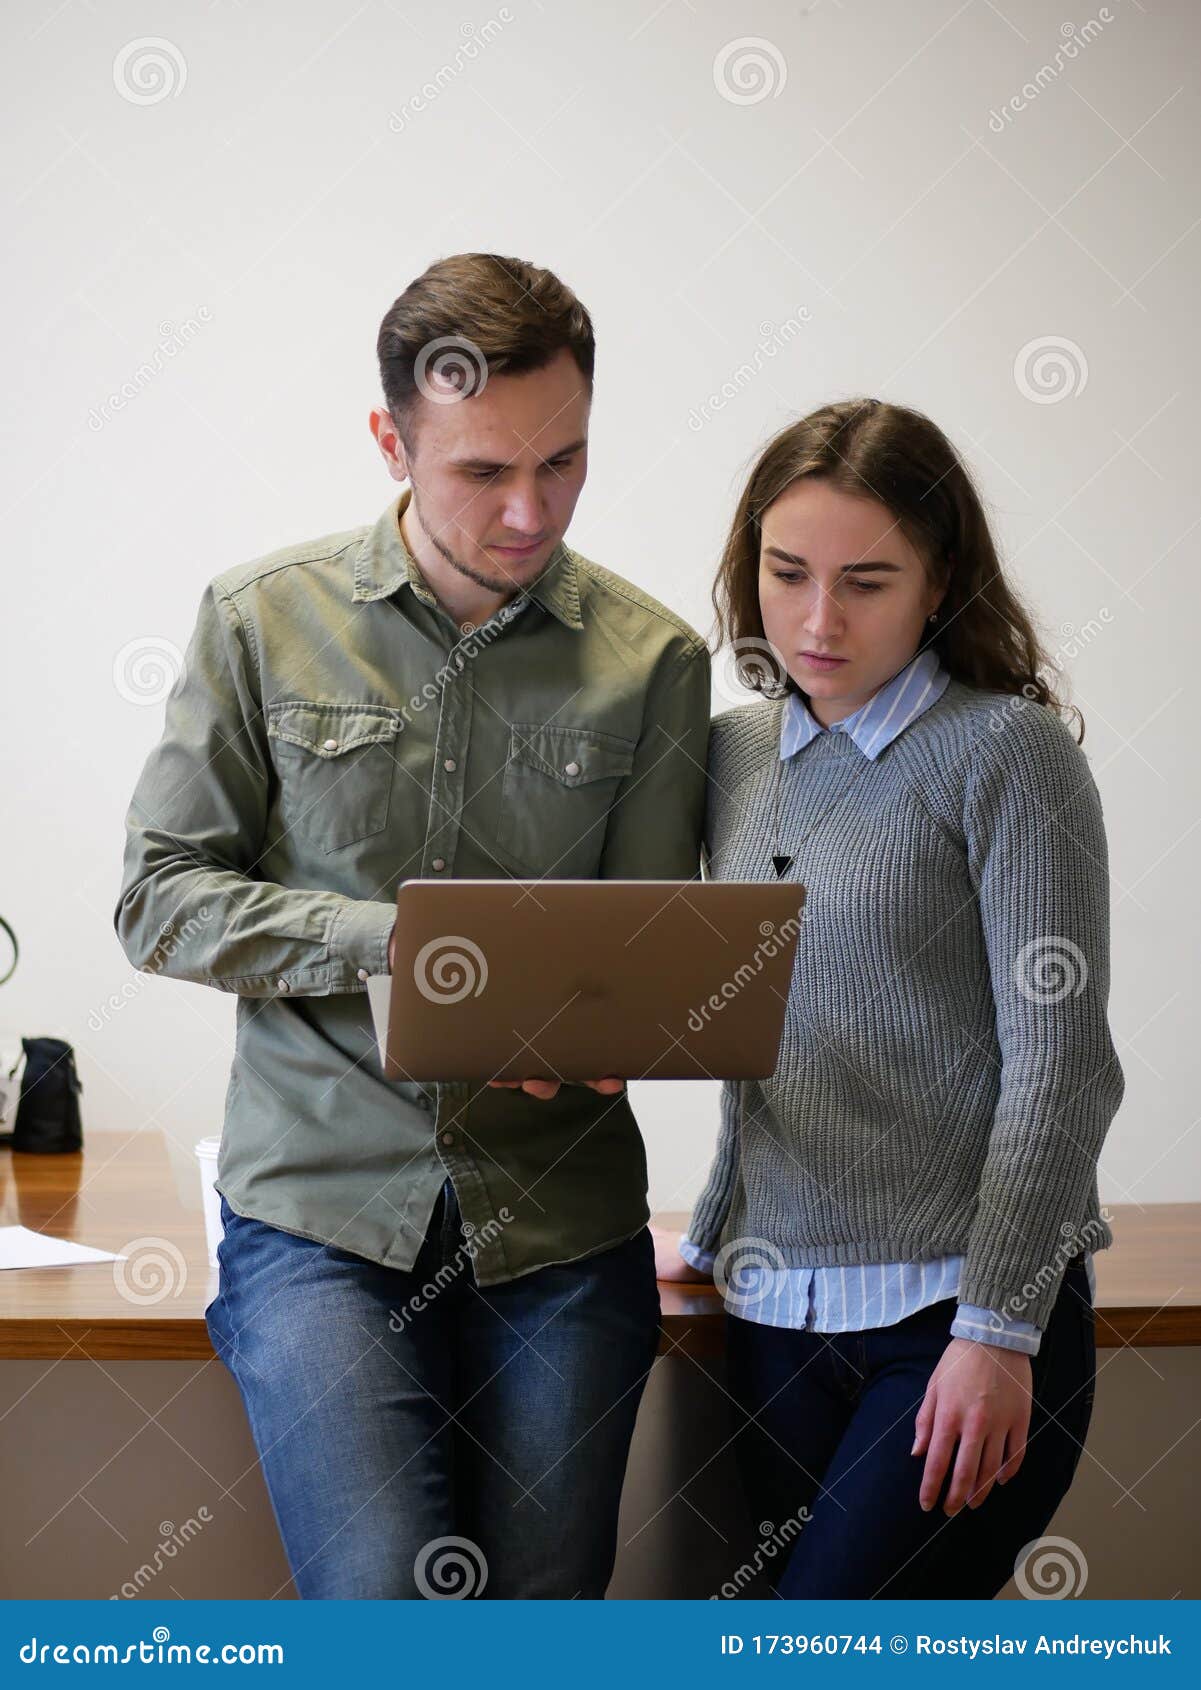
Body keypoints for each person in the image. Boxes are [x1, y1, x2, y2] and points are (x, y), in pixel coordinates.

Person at [113, 253, 711, 1599]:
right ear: (392, 443)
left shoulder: (655, 661)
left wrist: (610, 1032)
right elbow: (156, 896)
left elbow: (645, 957)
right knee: (383, 1601)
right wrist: (386, 940)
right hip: (318, 1213)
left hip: (560, 1223)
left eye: (563, 461)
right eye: (482, 470)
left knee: (540, 1626)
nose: (529, 510)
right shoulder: (259, 622)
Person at [653, 397, 1123, 1599]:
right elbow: (762, 1022)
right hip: (774, 1315)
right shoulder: (731, 756)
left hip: (953, 1319)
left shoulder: (1006, 753)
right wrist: (707, 1229)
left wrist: (998, 1327)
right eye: (786, 573)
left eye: (865, 582)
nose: (818, 620)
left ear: (939, 579)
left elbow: (1062, 1067)